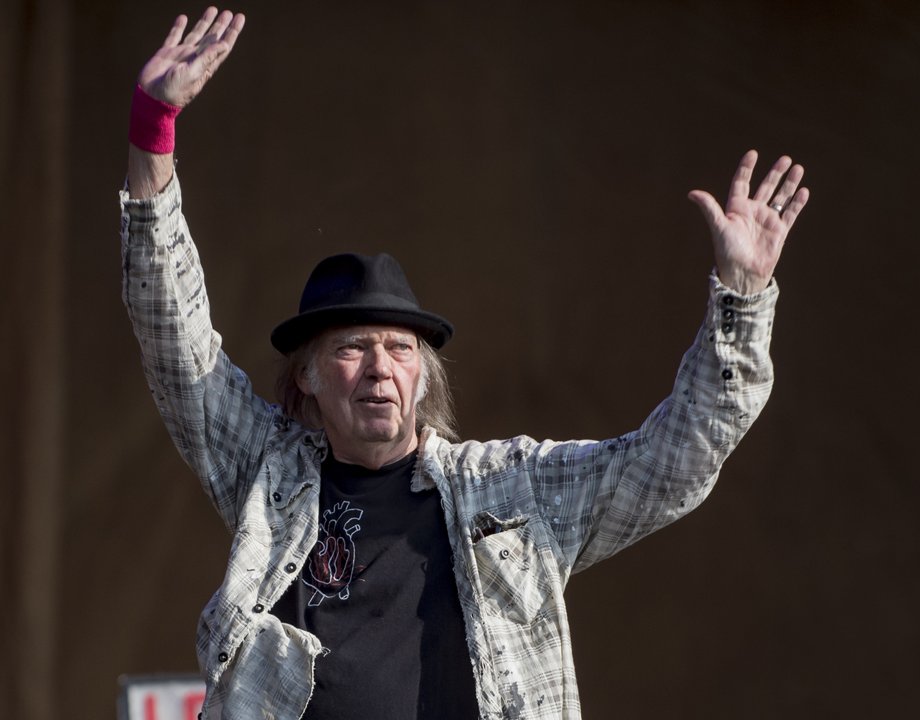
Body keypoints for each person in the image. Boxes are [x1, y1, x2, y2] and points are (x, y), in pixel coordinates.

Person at [119, 8, 809, 720]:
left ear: (423, 375)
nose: (379, 367)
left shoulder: (512, 491)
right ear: (308, 377)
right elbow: (175, 341)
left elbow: (676, 460)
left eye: (399, 347)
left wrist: (743, 297)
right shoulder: (269, 476)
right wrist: (153, 131)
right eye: (351, 348)